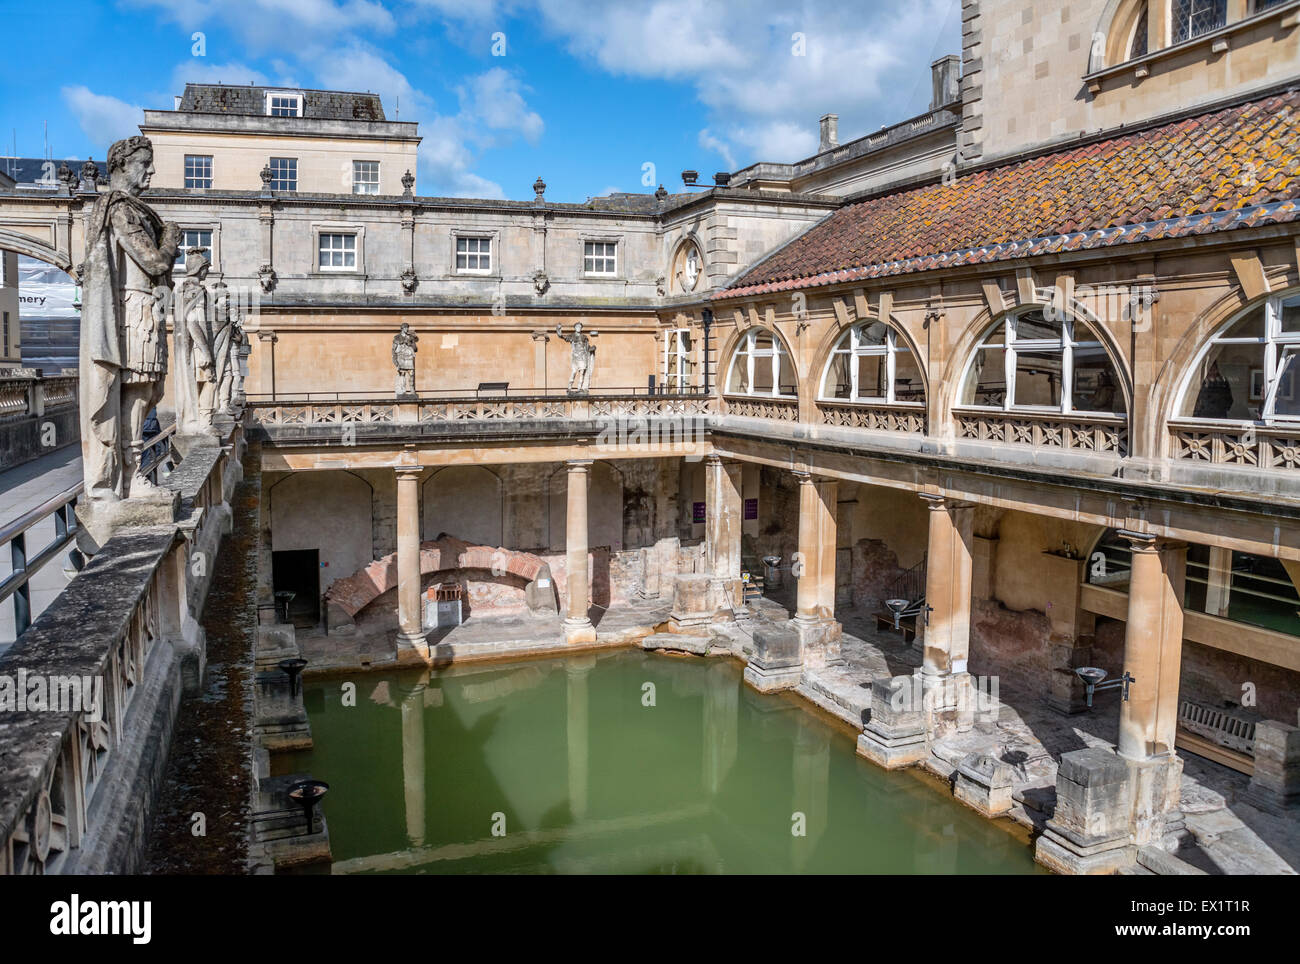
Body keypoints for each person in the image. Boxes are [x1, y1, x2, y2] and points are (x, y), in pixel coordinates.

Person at [79, 135, 181, 501]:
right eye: (144, 162)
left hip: (145, 309)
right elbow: (154, 262)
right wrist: (170, 238)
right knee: (135, 390)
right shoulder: (120, 208)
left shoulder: (133, 209)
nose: (151, 170)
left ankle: (129, 474)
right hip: (133, 310)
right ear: (122, 165)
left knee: (145, 391)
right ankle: (131, 477)